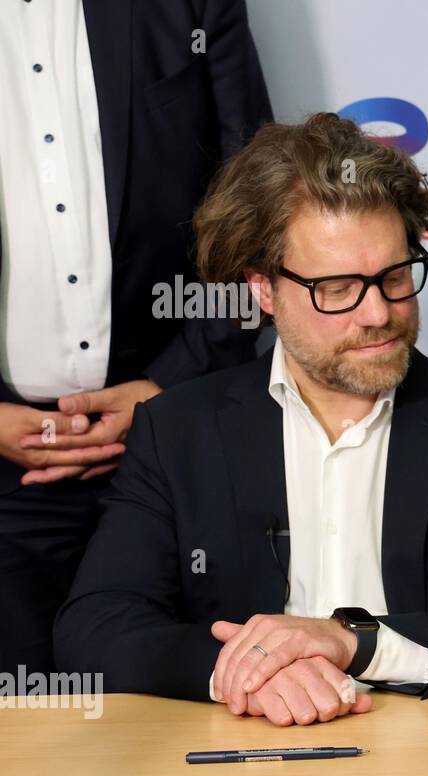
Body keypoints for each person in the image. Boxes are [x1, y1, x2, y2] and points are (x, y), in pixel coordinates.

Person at [55, 114, 428, 726]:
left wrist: (351, 642)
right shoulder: (178, 431)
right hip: (237, 762)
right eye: (336, 289)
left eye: (395, 276)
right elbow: (95, 628)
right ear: (264, 290)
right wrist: (249, 671)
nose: (378, 313)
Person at [0, 0, 272, 673]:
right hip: (4, 483)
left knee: (188, 718)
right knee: (22, 751)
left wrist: (166, 392)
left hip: (177, 448)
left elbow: (258, 203)